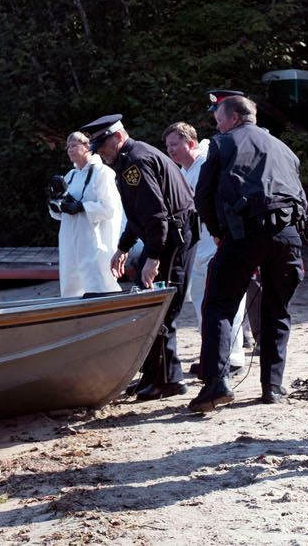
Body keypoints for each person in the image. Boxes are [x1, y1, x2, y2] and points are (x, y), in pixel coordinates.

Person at [188, 93, 307, 414]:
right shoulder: (284, 148)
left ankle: (215, 384)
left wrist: (216, 230)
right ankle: (273, 386)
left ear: (235, 118)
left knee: (219, 305)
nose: (216, 123)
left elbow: (203, 195)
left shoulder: (222, 144)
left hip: (243, 234)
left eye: (219, 117)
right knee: (277, 309)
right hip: (288, 236)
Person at [83, 114, 197, 400]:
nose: (101, 154)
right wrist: (123, 248)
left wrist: (154, 257)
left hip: (170, 239)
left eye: (102, 146)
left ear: (118, 138)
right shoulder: (129, 159)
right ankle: (155, 375)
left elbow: (156, 213)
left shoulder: (135, 162)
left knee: (160, 308)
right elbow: (137, 214)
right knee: (153, 307)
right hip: (165, 236)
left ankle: (168, 379)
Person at [165, 120, 245, 376]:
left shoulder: (207, 165)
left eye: (175, 144)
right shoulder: (183, 171)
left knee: (224, 301)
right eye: (167, 146)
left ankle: (231, 358)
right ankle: (213, 354)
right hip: (197, 247)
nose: (170, 150)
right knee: (203, 303)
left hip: (216, 243)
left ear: (190, 143)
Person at [50, 131, 123, 298]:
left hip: (94, 243)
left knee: (98, 283)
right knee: (72, 285)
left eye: (74, 145)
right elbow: (60, 214)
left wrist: (82, 207)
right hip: (71, 241)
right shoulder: (70, 176)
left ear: (87, 147)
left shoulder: (103, 173)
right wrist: (56, 205)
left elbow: (110, 208)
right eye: (68, 146)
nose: (70, 149)